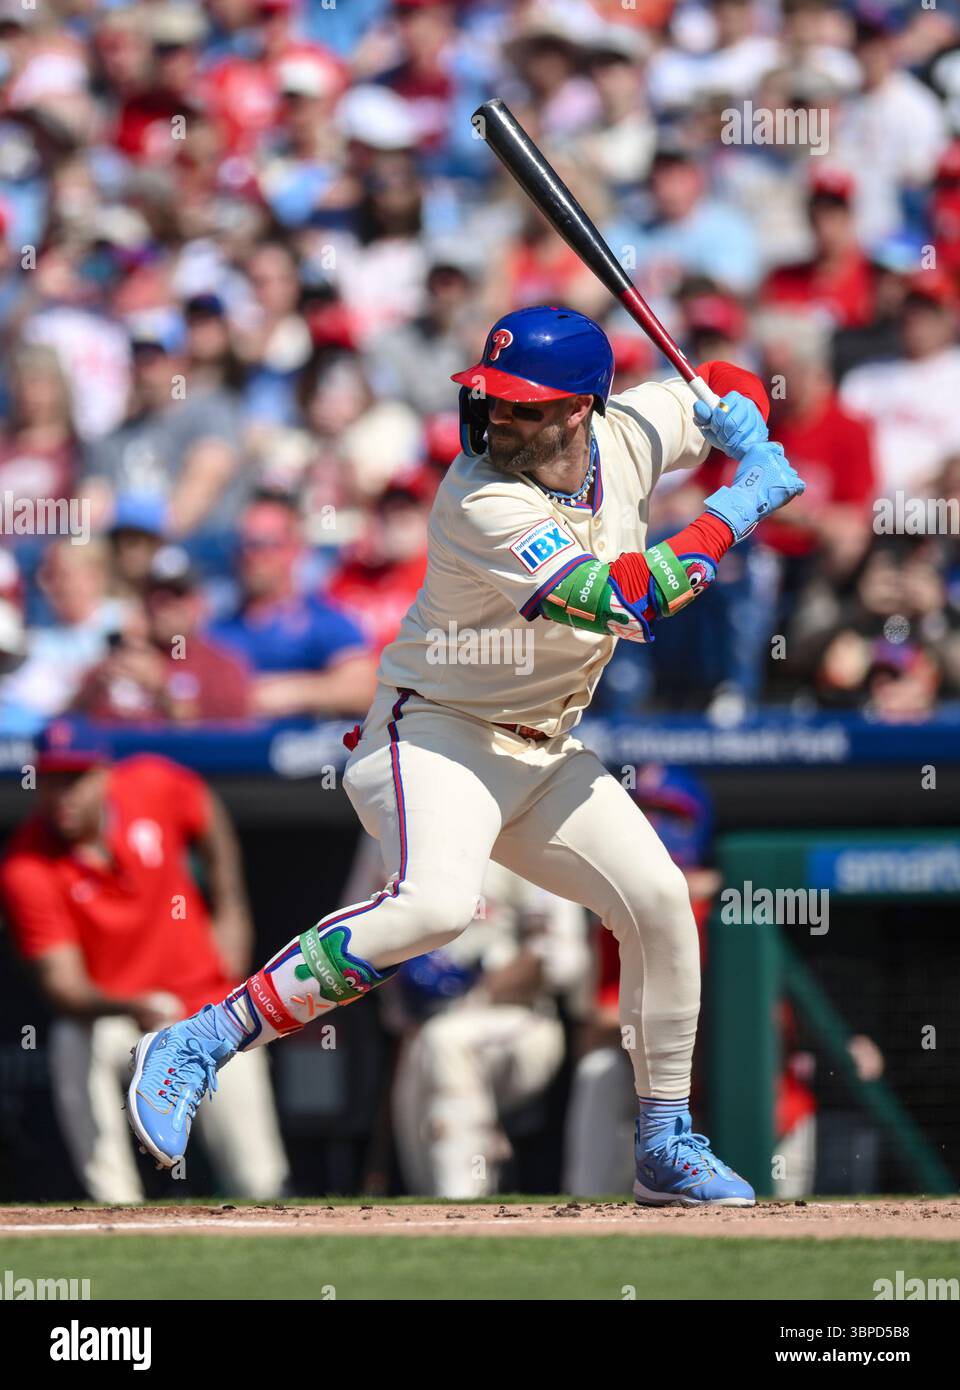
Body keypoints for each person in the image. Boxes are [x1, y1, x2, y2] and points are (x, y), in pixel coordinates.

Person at [125, 304, 804, 1207]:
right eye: (493, 399)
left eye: (525, 405)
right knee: (439, 903)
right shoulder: (478, 496)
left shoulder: (631, 428)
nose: (500, 419)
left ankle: (664, 1141)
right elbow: (622, 600)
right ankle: (203, 1038)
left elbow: (718, 379)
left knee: (660, 901)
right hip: (434, 731)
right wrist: (738, 502)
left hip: (543, 747)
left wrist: (741, 407)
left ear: (579, 412)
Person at [0, 725, 288, 1203]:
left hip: (208, 1010)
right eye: (51, 779)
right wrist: (131, 1003)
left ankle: (267, 1208)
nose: (62, 794)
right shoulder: (27, 864)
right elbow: (63, 987)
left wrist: (230, 908)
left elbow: (207, 812)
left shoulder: (150, 783)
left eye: (76, 778)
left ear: (103, 776)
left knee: (259, 1181)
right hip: (124, 1020)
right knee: (75, 1038)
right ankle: (115, 1201)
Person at [210, 493, 375, 718]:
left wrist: (279, 693)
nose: (250, 555)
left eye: (263, 544)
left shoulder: (326, 622)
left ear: (295, 549)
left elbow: (363, 689)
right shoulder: (218, 631)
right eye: (244, 544)